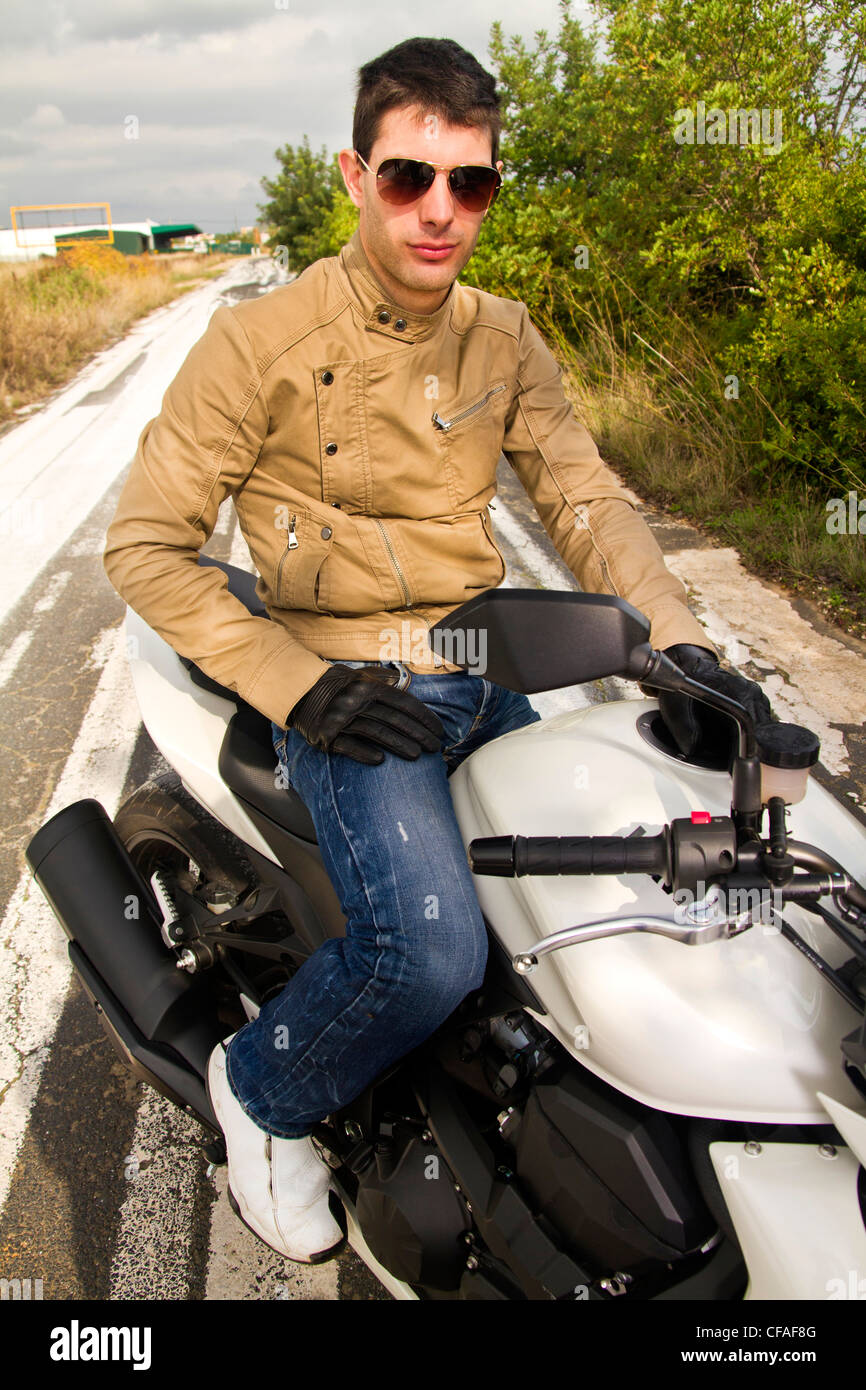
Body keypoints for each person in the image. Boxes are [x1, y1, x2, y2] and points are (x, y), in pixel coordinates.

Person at [103, 36, 771, 1265]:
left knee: (631, 894)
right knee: (428, 952)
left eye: (472, 184)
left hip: (485, 664)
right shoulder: (255, 345)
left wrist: (682, 649)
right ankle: (260, 1097)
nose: (440, 212)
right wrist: (301, 687)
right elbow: (144, 549)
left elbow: (584, 502)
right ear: (355, 173)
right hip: (344, 690)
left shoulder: (503, 337)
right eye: (411, 177)